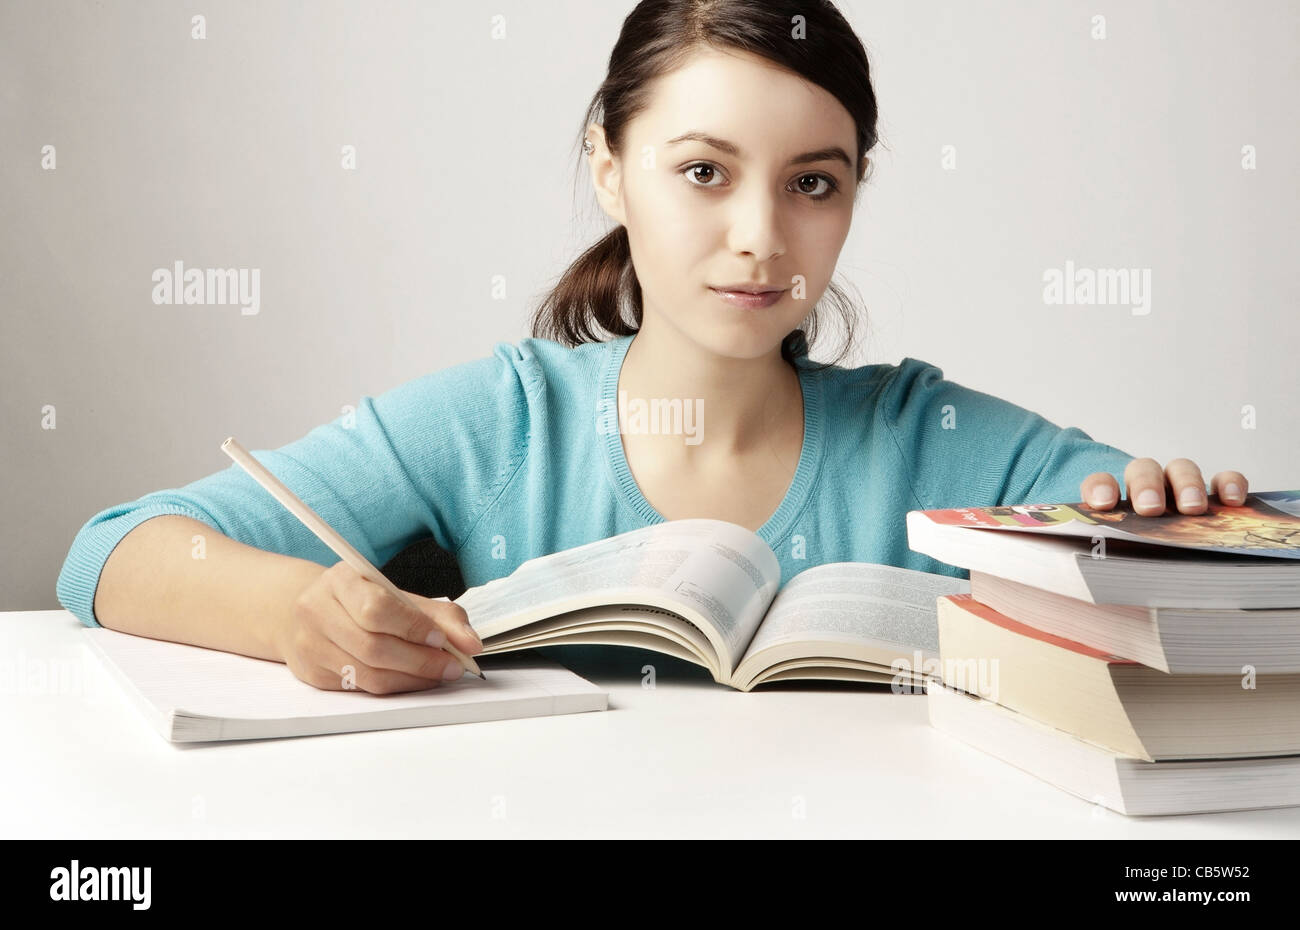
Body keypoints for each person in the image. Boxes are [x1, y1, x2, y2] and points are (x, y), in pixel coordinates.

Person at [56, 0, 1249, 694]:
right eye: (701, 172)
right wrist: (292, 616)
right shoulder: (502, 421)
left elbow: (1181, 570)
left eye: (812, 185)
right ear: (608, 166)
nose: (759, 238)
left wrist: (1174, 525)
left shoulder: (930, 437)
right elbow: (110, 554)